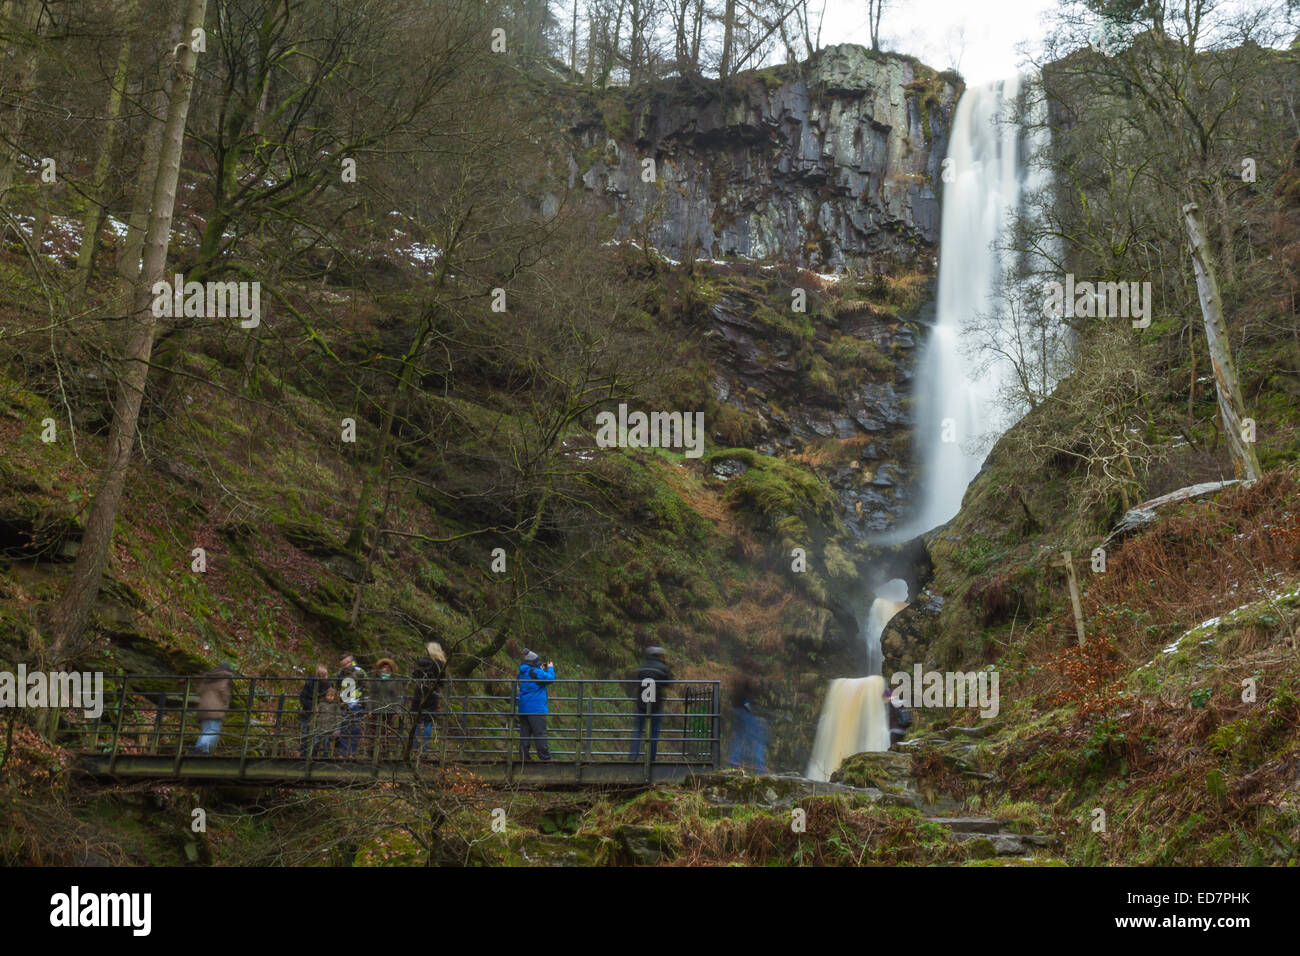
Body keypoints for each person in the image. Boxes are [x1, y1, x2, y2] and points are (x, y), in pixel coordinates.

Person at [629, 646, 672, 762]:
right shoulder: (662, 668)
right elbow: (668, 683)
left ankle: (633, 756)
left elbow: (637, 679)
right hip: (656, 705)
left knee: (637, 730)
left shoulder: (642, 667)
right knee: (653, 733)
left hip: (641, 705)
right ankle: (651, 759)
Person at [515, 649, 554, 762]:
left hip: (523, 708)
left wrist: (539, 670)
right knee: (540, 734)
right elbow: (550, 679)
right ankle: (546, 759)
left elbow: (532, 679)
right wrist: (550, 668)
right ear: (534, 662)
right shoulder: (535, 672)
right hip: (535, 709)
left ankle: (524, 759)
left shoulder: (522, 673)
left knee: (525, 734)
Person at [411, 642, 446, 753]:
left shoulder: (421, 662)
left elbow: (415, 675)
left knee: (415, 719)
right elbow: (441, 681)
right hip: (432, 693)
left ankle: (413, 746)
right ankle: (425, 748)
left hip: (419, 692)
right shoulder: (440, 664)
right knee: (428, 721)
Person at [728, 676, 767, 774]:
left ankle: (734, 760)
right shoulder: (746, 685)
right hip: (744, 711)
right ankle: (759, 766)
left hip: (738, 710)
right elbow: (746, 702)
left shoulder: (743, 684)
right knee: (756, 737)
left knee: (740, 736)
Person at [193, 662, 235, 754]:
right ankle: (201, 747)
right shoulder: (224, 679)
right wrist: (225, 705)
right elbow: (224, 693)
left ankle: (204, 751)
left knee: (206, 730)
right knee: (213, 731)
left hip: (202, 708)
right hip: (215, 709)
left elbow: (199, 691)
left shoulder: (207, 679)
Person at [369, 657, 405, 756]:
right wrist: (369, 709)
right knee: (374, 731)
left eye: (388, 667)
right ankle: (373, 751)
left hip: (389, 710)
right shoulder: (375, 680)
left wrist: (398, 710)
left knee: (387, 731)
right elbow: (371, 694)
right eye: (383, 667)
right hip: (376, 709)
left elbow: (399, 697)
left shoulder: (395, 681)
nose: (385, 669)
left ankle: (385, 751)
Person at [336, 654, 366, 757]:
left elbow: (367, 687)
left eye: (348, 662)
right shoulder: (340, 673)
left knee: (355, 730)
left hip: (357, 705)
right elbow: (337, 688)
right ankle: (342, 753)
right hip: (344, 705)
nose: (347, 665)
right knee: (344, 729)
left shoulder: (359, 672)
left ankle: (352, 753)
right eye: (344, 664)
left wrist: (363, 702)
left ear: (352, 661)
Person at [298, 664, 330, 756]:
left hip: (320, 714)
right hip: (307, 712)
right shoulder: (310, 683)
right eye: (324, 676)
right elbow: (302, 698)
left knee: (317, 735)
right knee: (305, 733)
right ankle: (303, 754)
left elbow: (329, 698)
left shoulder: (328, 685)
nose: (326, 677)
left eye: (326, 675)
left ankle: (313, 755)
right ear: (318, 676)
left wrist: (321, 707)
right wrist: (312, 706)